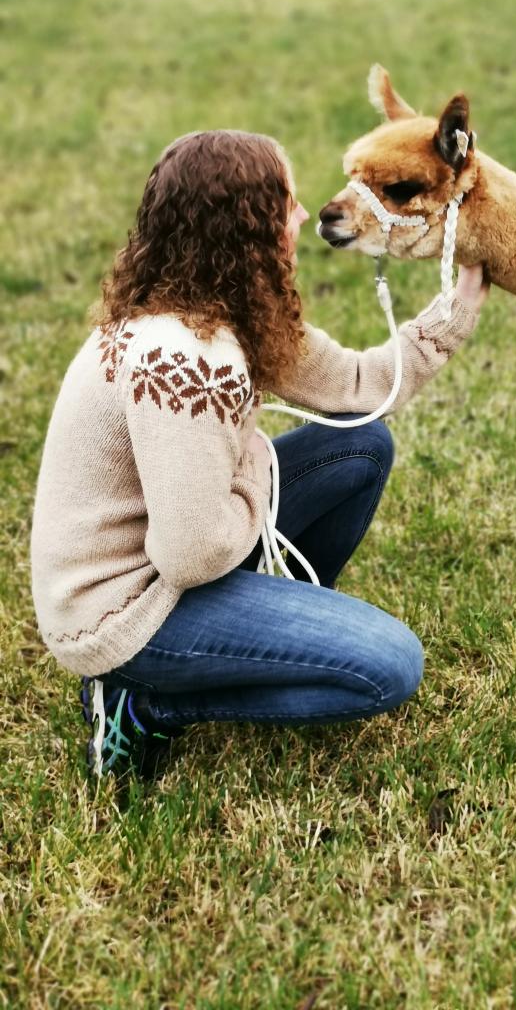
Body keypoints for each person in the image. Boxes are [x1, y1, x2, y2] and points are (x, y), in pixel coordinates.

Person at [30, 130, 488, 780]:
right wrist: (250, 474)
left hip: (173, 562)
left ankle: (274, 635)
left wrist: (455, 311)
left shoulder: (231, 311)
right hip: (124, 611)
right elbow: (188, 554)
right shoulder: (184, 357)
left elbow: (361, 387)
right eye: (286, 202)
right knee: (390, 666)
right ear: (245, 227)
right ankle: (143, 704)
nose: (302, 215)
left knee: (358, 442)